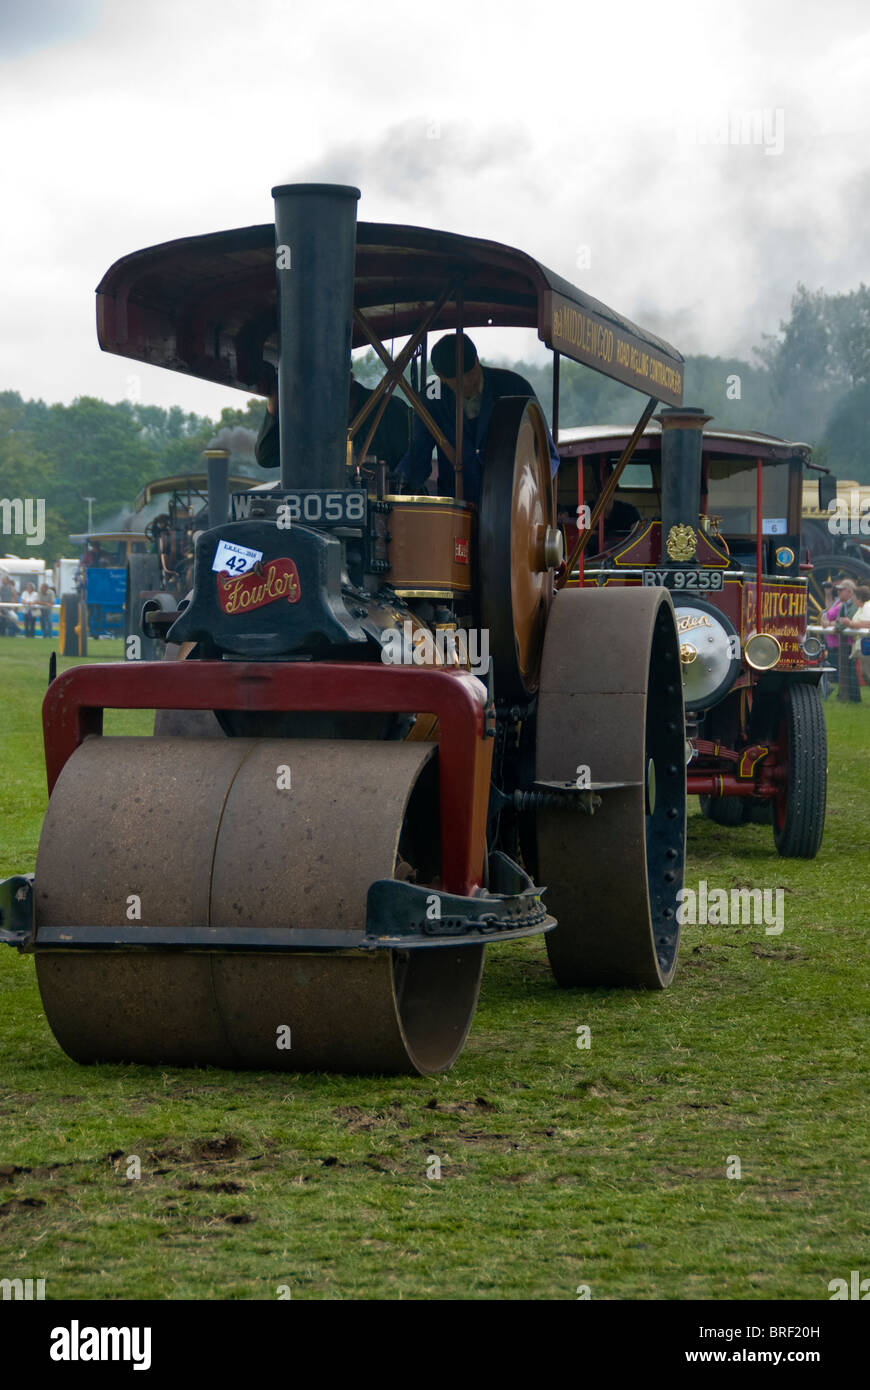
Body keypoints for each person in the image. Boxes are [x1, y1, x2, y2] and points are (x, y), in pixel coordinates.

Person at [396, 333, 560, 505]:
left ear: (477, 359)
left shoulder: (515, 388)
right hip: (457, 509)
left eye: (471, 374)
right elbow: (418, 456)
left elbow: (548, 455)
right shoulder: (432, 399)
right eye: (458, 381)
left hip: (510, 508)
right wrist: (396, 483)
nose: (467, 383)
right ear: (440, 376)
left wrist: (528, 488)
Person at [256, 368, 411, 473]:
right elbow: (267, 457)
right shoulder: (310, 418)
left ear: (348, 379)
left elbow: (410, 466)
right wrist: (274, 399)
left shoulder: (389, 410)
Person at [832, 579, 861, 702]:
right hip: (847, 642)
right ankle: (848, 697)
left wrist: (838, 625)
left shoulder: (854, 604)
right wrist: (839, 624)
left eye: (841, 590)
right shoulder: (843, 605)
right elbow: (840, 621)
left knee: (853, 670)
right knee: (848, 669)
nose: (838, 592)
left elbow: (843, 622)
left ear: (849, 592)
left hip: (854, 642)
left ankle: (854, 698)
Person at [838, 582, 870, 691]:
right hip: (862, 645)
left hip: (867, 645)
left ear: (859, 598)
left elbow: (867, 624)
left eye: (854, 597)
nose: (853, 599)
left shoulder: (867, 606)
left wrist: (850, 623)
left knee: (867, 673)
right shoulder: (861, 608)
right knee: (865, 674)